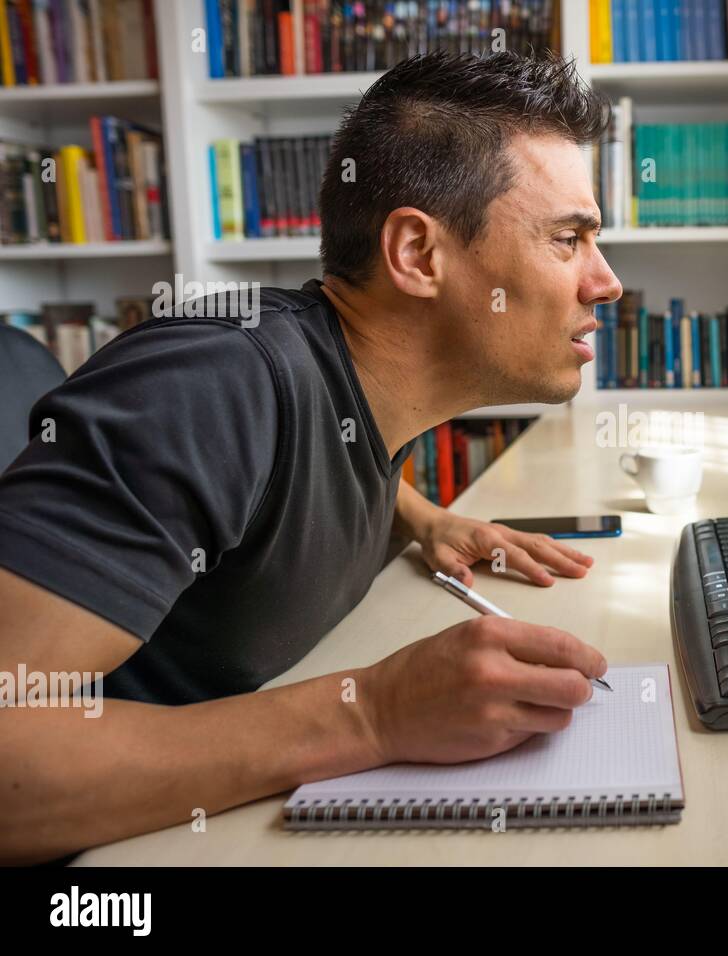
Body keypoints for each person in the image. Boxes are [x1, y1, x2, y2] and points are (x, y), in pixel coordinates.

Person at [0, 51, 622, 864]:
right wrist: (375, 714)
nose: (605, 281)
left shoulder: (354, 375)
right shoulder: (214, 383)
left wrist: (423, 518)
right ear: (419, 256)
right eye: (568, 239)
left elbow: (320, 446)